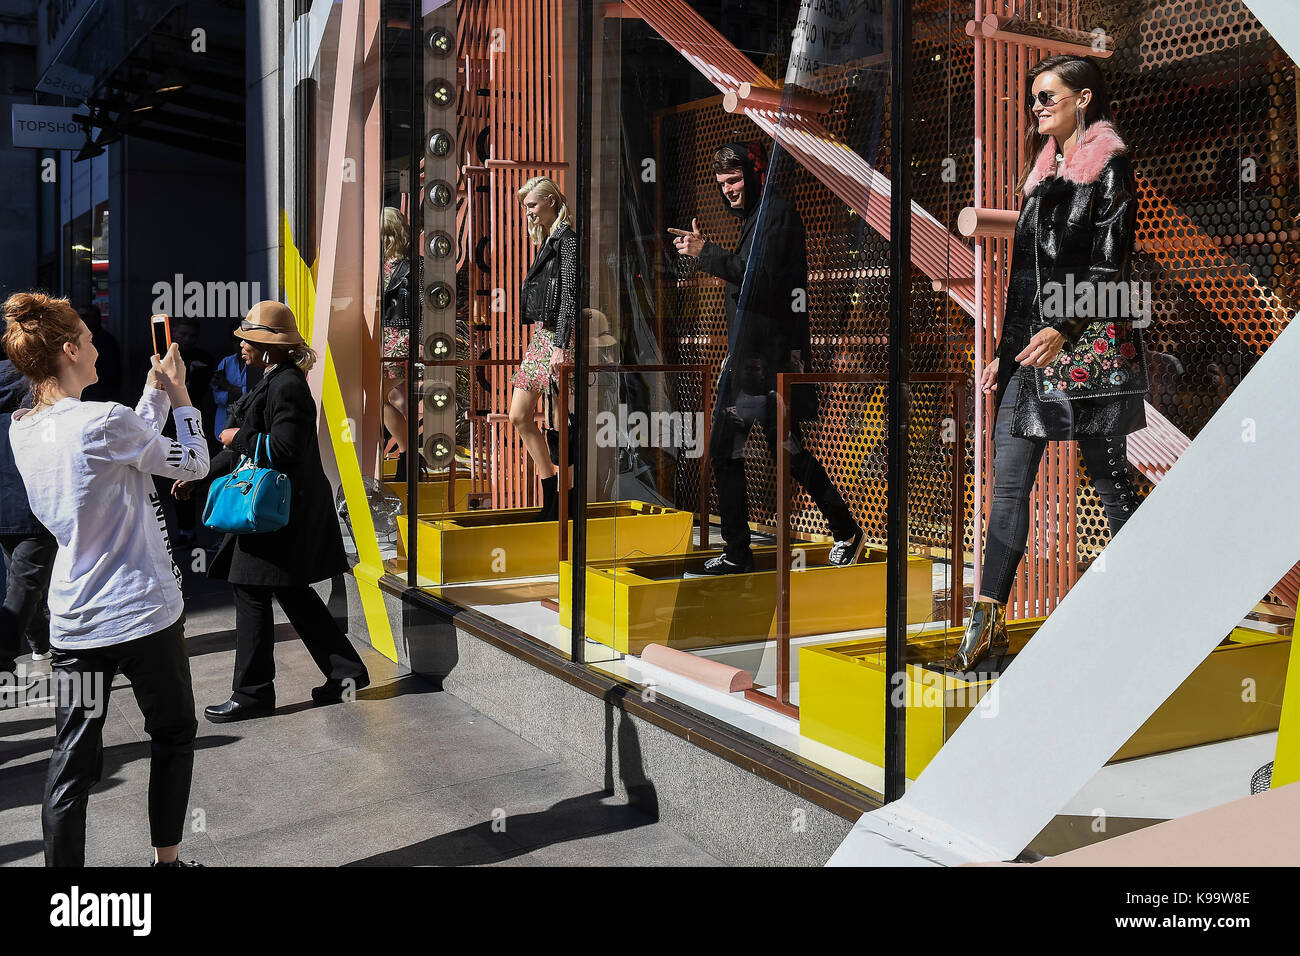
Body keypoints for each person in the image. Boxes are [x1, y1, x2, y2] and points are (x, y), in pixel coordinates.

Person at [951, 54, 1146, 671]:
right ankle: (986, 623)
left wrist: (1065, 325)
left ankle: (1154, 601)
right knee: (1007, 486)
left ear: (1083, 100)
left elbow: (1110, 264)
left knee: (1111, 483)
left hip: (1090, 347)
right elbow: (1023, 281)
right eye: (1033, 97)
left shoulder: (1111, 165)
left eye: (1046, 96)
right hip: (1035, 350)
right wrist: (1003, 357)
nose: (1036, 106)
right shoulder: (1043, 176)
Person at [3, 292, 209, 867]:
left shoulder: (24, 428)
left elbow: (124, 444)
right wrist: (183, 397)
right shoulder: (103, 421)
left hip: (74, 619)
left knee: (70, 763)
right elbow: (191, 464)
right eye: (90, 340)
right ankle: (166, 863)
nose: (97, 348)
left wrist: (152, 394)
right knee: (171, 735)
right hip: (143, 611)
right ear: (69, 350)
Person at [671, 142, 862, 574]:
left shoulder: (777, 213)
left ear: (755, 174)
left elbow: (761, 281)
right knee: (748, 451)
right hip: (750, 364)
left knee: (765, 451)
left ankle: (838, 531)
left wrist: (707, 254)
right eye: (722, 185)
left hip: (769, 365)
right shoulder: (757, 220)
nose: (728, 191)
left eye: (734, 181)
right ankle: (748, 550)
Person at [175, 301, 370, 722]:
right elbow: (251, 449)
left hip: (281, 515)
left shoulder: (287, 386)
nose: (242, 345)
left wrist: (235, 436)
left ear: (270, 347)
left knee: (251, 591)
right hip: (277, 513)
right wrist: (202, 472)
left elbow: (282, 450)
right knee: (291, 592)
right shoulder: (274, 378)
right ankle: (345, 672)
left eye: (250, 339)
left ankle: (253, 694)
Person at [510, 176, 577, 521]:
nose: (528, 212)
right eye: (526, 206)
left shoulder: (567, 240)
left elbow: (570, 297)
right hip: (542, 337)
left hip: (557, 339)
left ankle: (562, 502)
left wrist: (561, 346)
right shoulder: (550, 240)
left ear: (551, 201)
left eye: (532, 205)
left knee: (559, 423)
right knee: (519, 415)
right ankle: (550, 490)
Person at [0, 343, 54, 673]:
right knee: (25, 584)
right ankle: (5, 656)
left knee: (21, 582)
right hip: (33, 502)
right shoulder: (36, 394)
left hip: (9, 507)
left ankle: (41, 647)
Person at [379, 207, 415, 472]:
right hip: (387, 337)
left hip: (399, 336)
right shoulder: (381, 263)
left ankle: (408, 455)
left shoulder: (412, 265)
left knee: (379, 399)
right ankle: (408, 456)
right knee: (383, 398)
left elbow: (422, 305)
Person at [76, 304, 122, 404]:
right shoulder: (78, 340)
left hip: (100, 396)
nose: (80, 320)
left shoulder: (106, 341)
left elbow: (111, 373)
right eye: (79, 317)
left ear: (96, 318)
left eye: (84, 317)